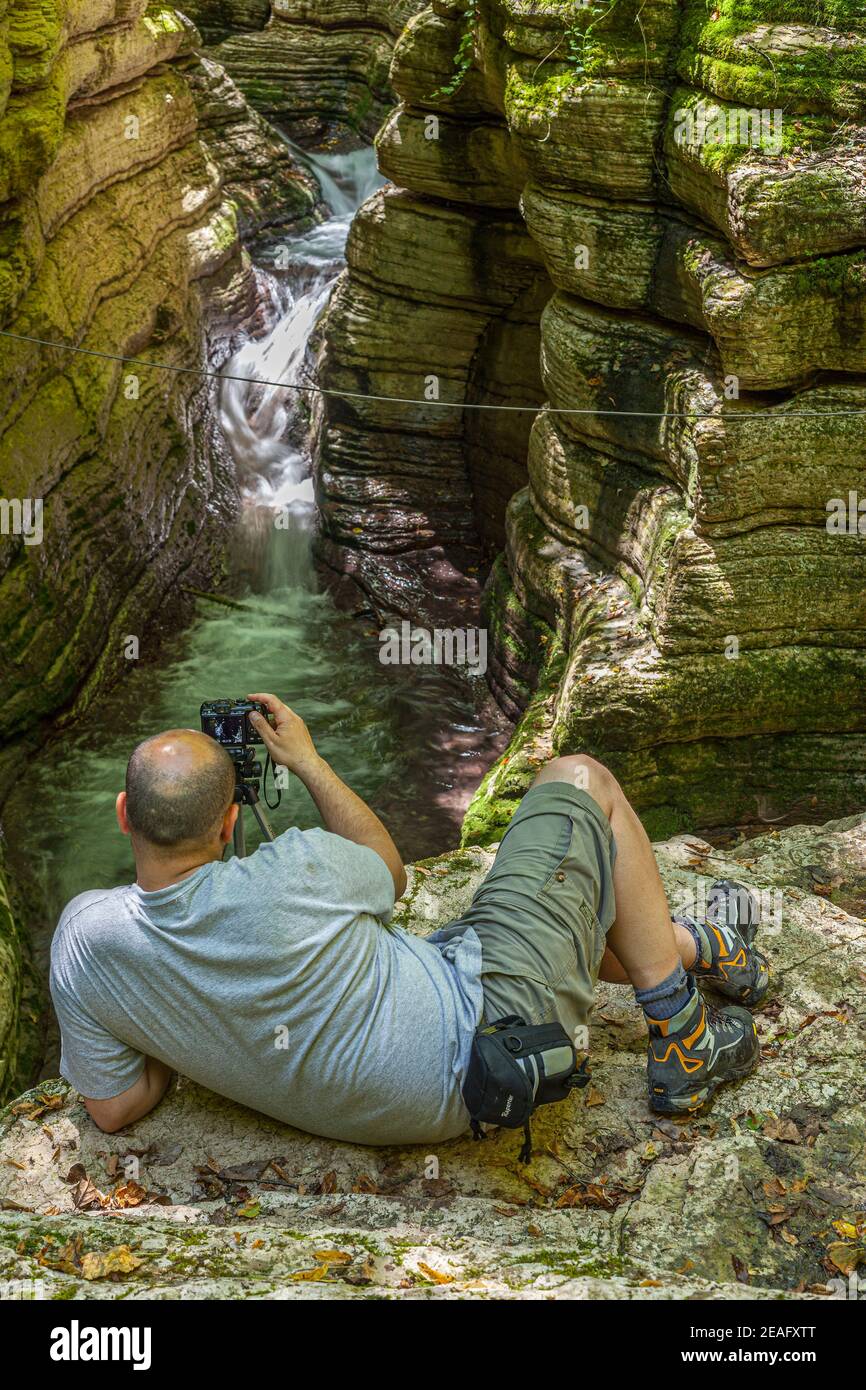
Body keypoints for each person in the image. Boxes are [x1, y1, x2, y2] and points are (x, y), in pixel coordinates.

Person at [50, 692, 768, 1140]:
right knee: (581, 781)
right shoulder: (296, 869)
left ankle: (699, 947)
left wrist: (182, 1036)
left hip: (413, 1063)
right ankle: (685, 1041)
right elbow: (388, 871)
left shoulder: (85, 941)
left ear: (122, 815)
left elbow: (112, 1109)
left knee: (552, 914)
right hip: (489, 1032)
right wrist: (308, 762)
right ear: (231, 818)